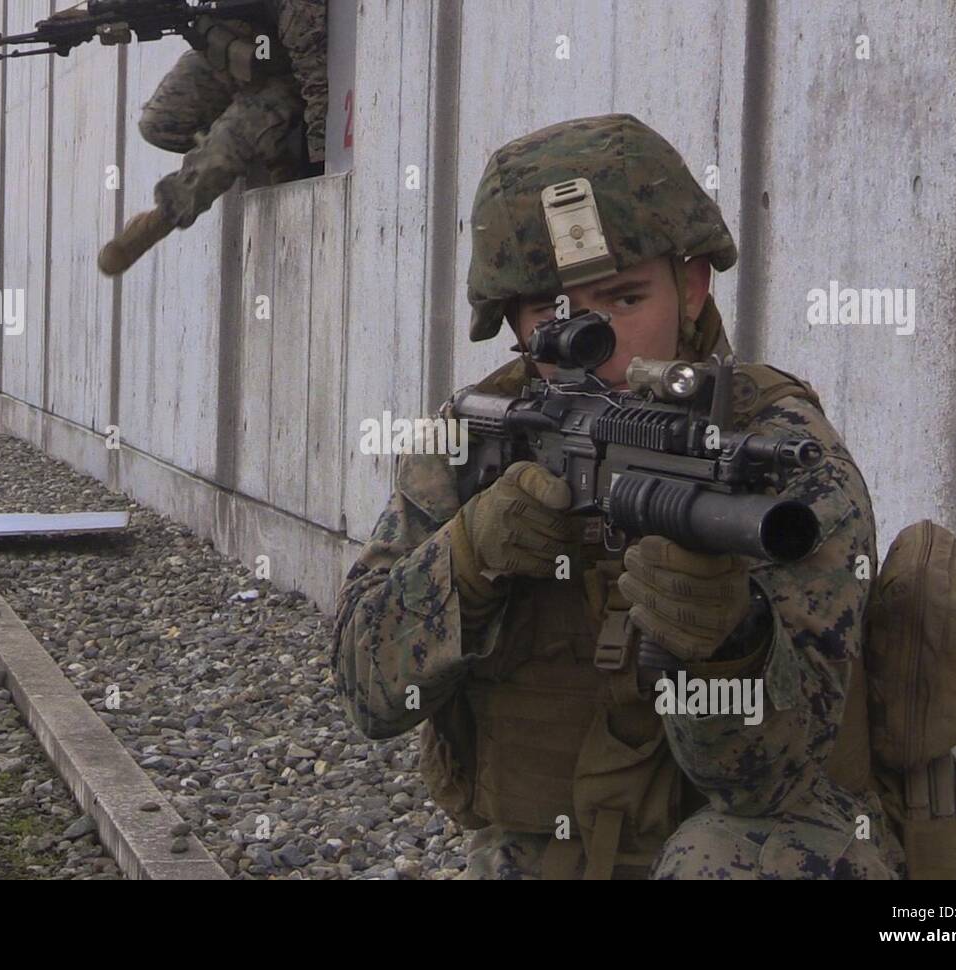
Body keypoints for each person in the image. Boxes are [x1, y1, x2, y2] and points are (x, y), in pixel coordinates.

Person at [331, 114, 907, 880]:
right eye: (555, 318)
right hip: (546, 849)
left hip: (747, 844)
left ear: (693, 287)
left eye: (625, 300)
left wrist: (728, 646)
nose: (597, 346)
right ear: (514, 325)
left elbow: (768, 782)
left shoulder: (778, 456)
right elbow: (369, 696)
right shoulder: (478, 441)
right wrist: (468, 559)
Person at [137, 0, 328, 232]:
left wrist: (322, 164)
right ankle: (260, 147)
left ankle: (163, 218)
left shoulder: (298, 9)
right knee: (159, 124)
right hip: (231, 57)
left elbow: (318, 82)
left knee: (226, 142)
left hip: (284, 80)